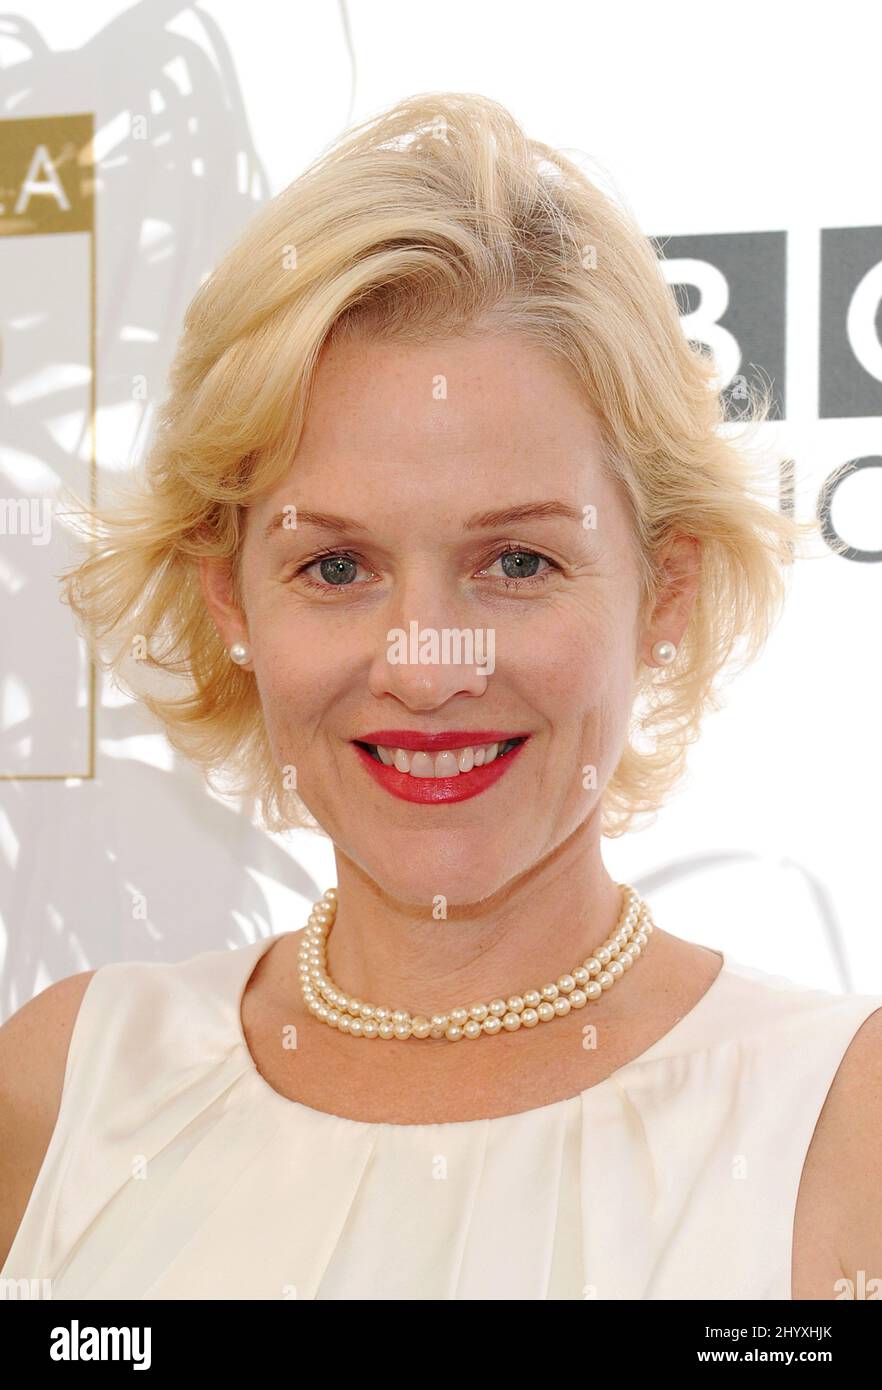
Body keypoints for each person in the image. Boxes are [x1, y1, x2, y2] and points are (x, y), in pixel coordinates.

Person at [1, 92, 879, 1301]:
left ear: (662, 589)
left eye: (516, 562)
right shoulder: (63, 1087)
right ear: (229, 602)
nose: (423, 662)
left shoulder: (842, 1121)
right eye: (336, 567)